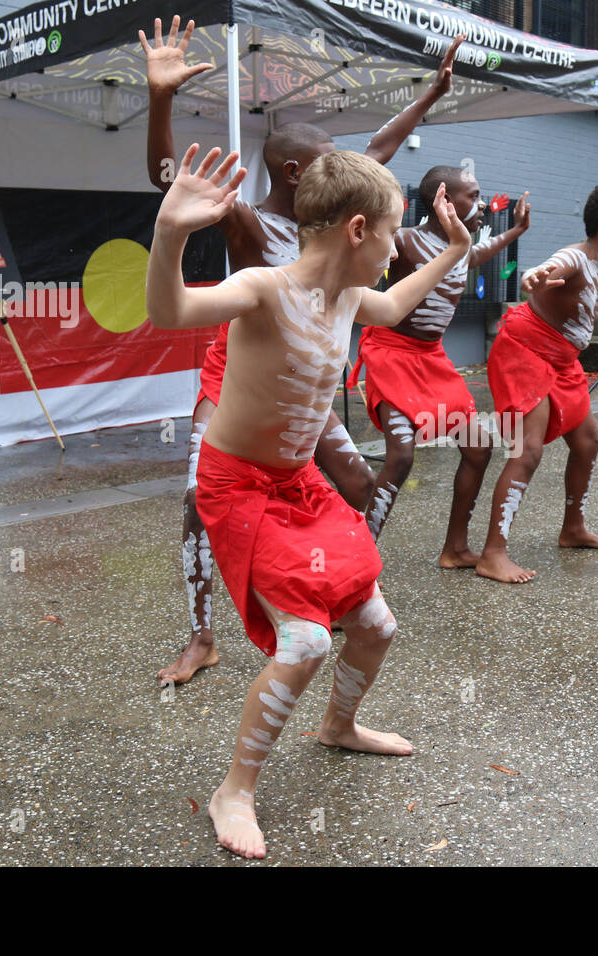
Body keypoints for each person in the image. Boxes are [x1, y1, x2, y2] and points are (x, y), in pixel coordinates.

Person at [147, 145, 471, 858]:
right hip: (237, 487)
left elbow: (394, 303)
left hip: (298, 487)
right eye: (390, 234)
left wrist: (455, 252)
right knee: (306, 641)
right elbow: (168, 309)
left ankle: (338, 726)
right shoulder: (266, 289)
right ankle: (233, 791)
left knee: (377, 624)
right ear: (357, 229)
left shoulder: (352, 298)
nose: (394, 249)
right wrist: (171, 230)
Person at [141, 15, 465, 683]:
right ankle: (201, 637)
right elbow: (171, 180)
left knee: (358, 484)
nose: (350, 167)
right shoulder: (251, 219)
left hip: (309, 385)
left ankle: (331, 590)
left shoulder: (339, 220)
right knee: (198, 501)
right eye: (328, 161)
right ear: (295, 171)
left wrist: (430, 98)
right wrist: (162, 99)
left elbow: (377, 148)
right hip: (239, 381)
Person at [349, 165, 532, 566]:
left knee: (479, 446)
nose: (483, 204)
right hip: (392, 354)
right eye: (474, 195)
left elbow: (481, 251)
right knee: (400, 457)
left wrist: (517, 231)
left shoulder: (461, 247)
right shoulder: (404, 241)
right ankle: (357, 565)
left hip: (432, 360)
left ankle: (455, 548)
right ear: (444, 200)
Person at [475, 184, 598, 583]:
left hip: (563, 357)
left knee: (588, 439)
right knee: (528, 452)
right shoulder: (575, 258)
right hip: (527, 349)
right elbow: (549, 269)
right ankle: (493, 553)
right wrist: (534, 276)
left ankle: (573, 529)